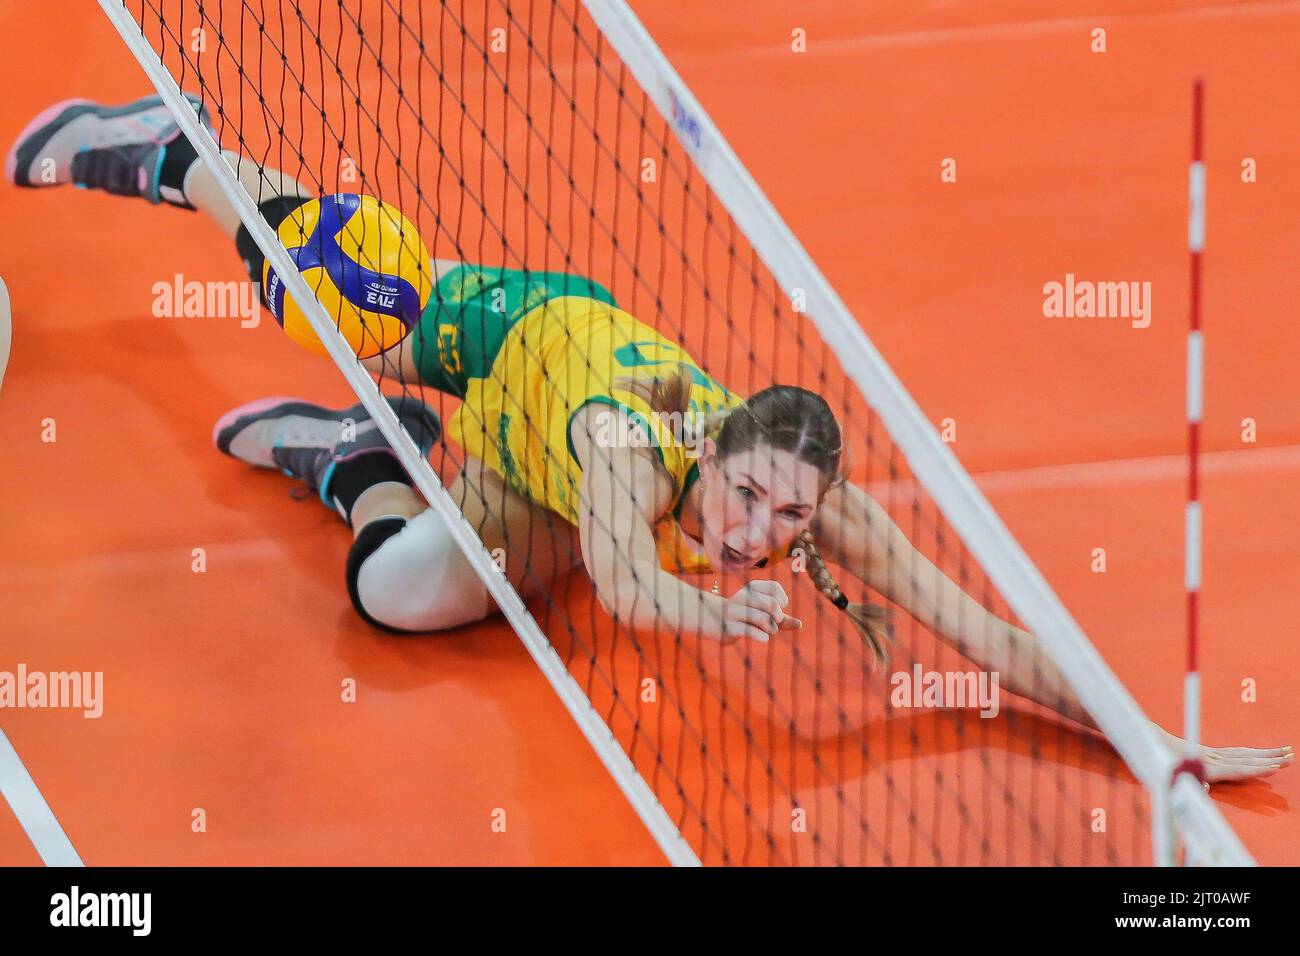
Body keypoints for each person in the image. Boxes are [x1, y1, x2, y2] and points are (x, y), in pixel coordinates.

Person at [10, 94, 1291, 784]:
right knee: (324, 300)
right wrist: (709, 614)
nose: (755, 533)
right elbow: (629, 586)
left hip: (537, 455)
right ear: (715, 449)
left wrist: (1155, 742)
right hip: (489, 336)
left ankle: (360, 460)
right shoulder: (631, 452)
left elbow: (989, 631)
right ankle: (184, 156)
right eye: (744, 498)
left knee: (399, 600)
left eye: (785, 518)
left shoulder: (804, 494)